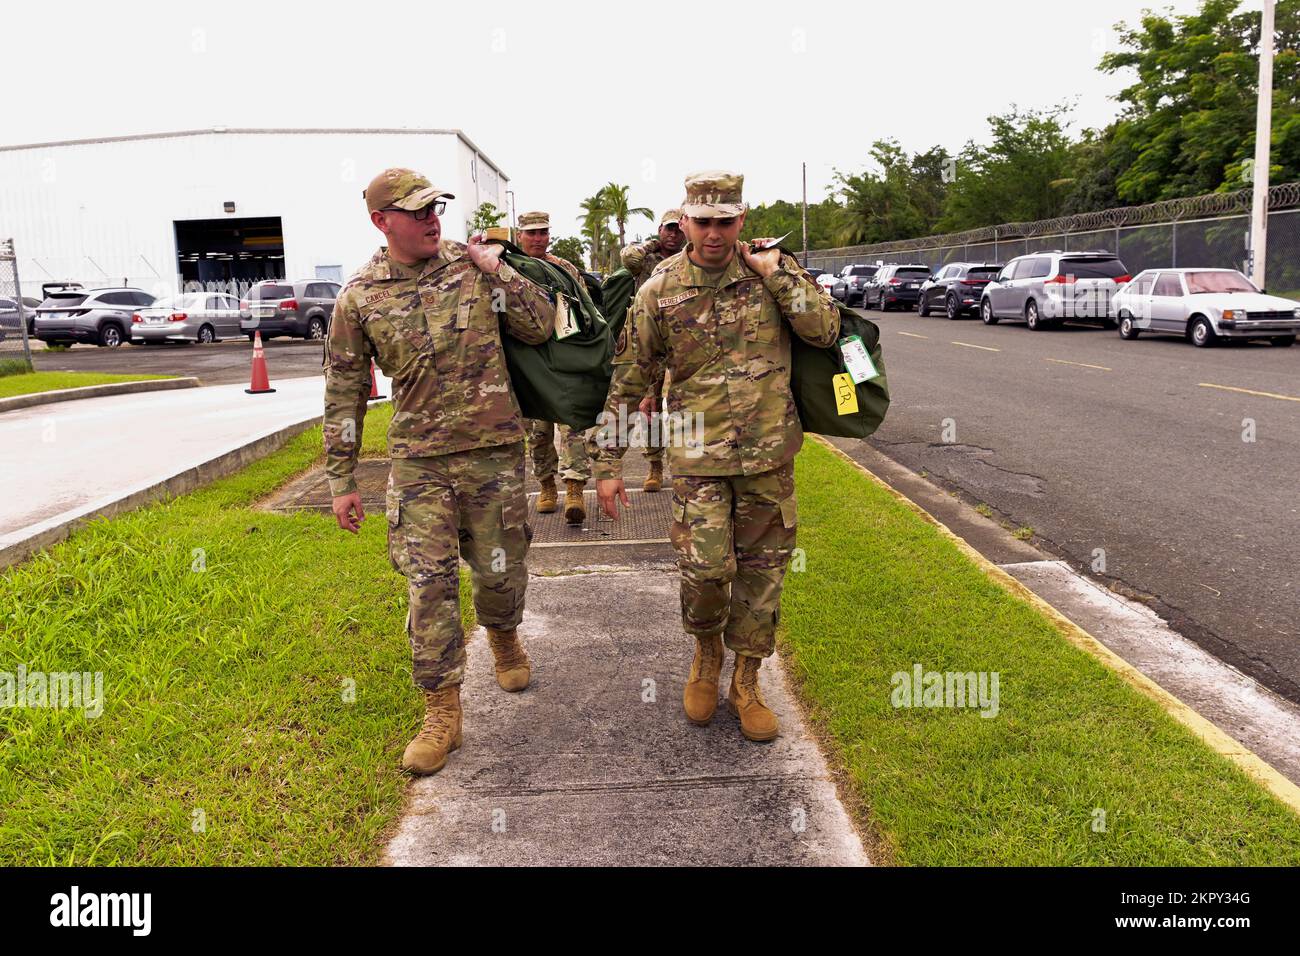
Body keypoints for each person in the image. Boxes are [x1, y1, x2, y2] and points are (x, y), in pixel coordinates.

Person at [591, 171, 839, 742]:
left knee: (763, 575)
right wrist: (606, 466)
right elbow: (630, 380)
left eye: (725, 222)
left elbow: (825, 332)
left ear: (741, 221)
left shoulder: (772, 273)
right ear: (683, 222)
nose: (713, 234)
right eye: (702, 222)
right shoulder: (658, 290)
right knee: (705, 571)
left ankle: (747, 681)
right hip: (698, 457)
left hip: (769, 455)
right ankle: (706, 655)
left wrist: (778, 277)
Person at [324, 168, 556, 775]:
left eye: (437, 209)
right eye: (418, 211)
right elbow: (344, 390)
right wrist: (341, 479)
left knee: (500, 574)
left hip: (493, 456)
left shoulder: (473, 268)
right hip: (420, 464)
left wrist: (496, 266)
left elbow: (541, 323)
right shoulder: (359, 298)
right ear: (382, 222)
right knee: (428, 585)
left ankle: (503, 634)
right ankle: (441, 708)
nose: (433, 219)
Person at [516, 209, 593, 524]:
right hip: (528, 362)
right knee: (538, 432)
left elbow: (583, 309)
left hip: (562, 358)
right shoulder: (509, 268)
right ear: (519, 235)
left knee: (571, 426)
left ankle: (574, 488)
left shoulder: (564, 269)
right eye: (531, 232)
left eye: (542, 232)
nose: (537, 238)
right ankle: (546, 485)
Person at [619, 208, 686, 493]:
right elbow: (628, 257)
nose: (673, 234)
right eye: (668, 229)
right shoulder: (647, 259)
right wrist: (652, 244)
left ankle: (685, 465)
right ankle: (654, 464)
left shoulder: (693, 257)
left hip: (685, 336)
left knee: (686, 402)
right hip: (652, 337)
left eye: (678, 229)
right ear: (660, 230)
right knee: (650, 404)